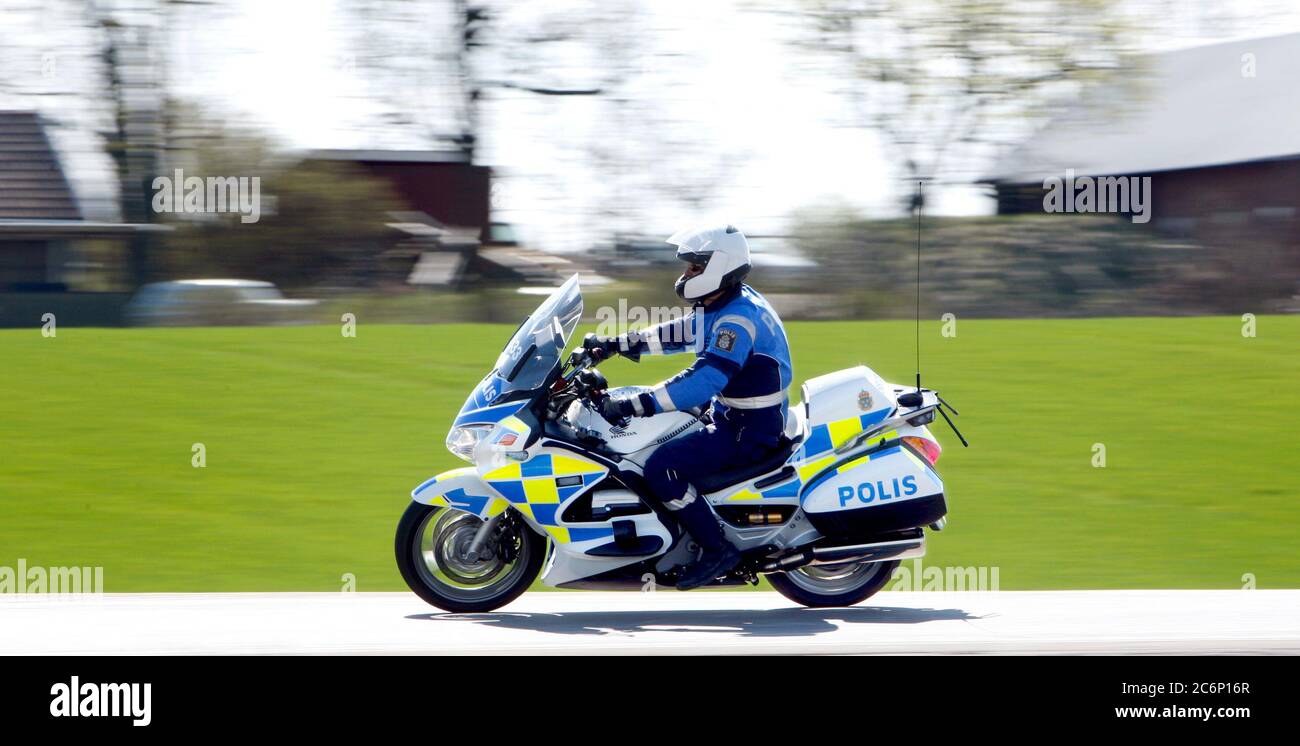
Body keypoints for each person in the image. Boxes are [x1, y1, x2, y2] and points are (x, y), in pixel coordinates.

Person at [586, 224, 793, 590]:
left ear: (718, 266)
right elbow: (679, 332)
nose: (686, 276)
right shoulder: (726, 302)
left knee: (662, 468)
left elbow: (705, 380)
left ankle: (717, 549)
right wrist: (616, 344)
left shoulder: (736, 319)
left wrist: (636, 405)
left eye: (695, 268)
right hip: (732, 414)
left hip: (747, 429)